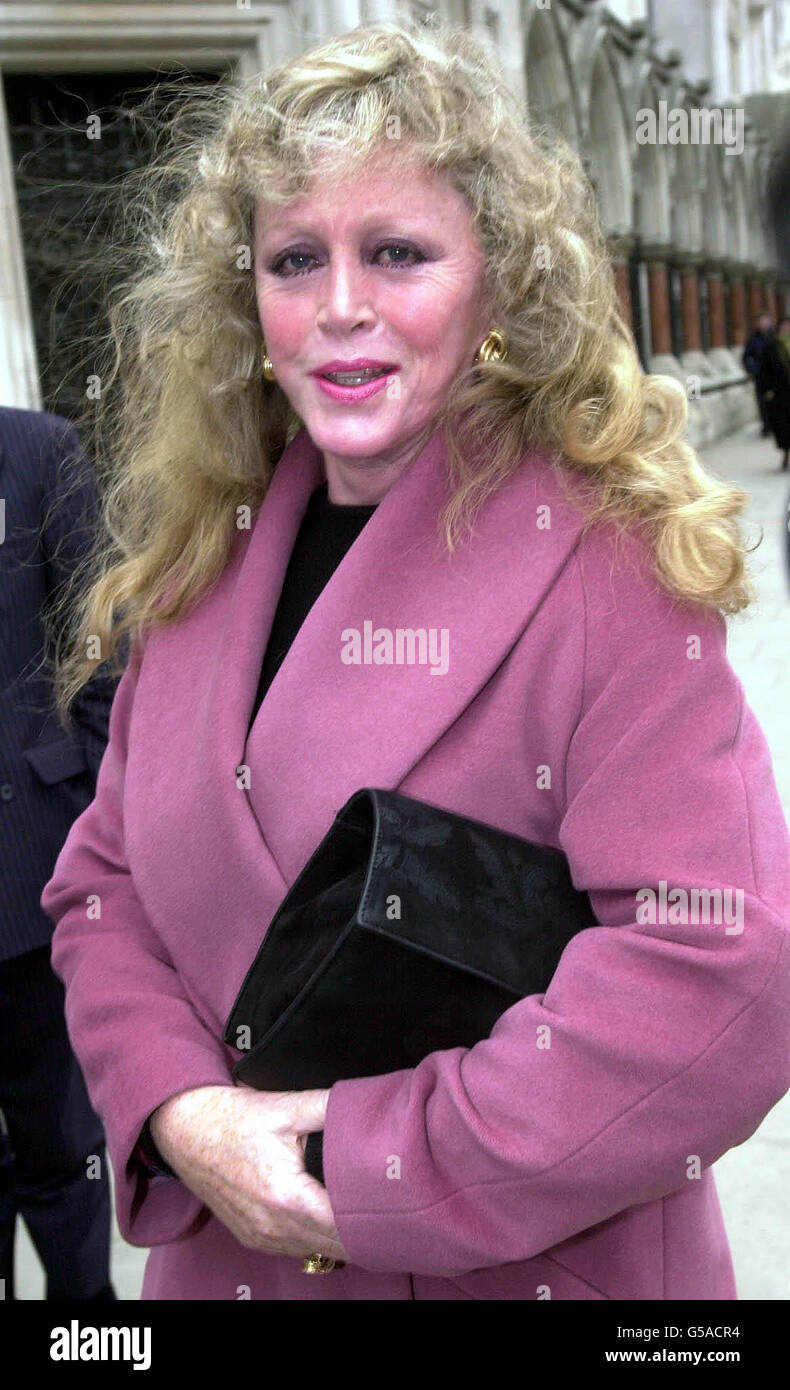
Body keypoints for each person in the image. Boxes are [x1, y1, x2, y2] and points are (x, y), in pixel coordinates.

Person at [40, 19, 790, 1301]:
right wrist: (182, 1114)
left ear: (497, 286)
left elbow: (719, 971)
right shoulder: (194, 562)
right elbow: (102, 887)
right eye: (293, 259)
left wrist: (365, 1165)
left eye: (396, 252)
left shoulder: (607, 564)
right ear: (246, 301)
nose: (340, 307)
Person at [0, 406, 118, 1299]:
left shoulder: (38, 453)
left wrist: (89, 819)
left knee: (64, 1156)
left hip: (32, 874)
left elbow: (102, 655)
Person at [758, 314, 790, 470]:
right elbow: (764, 370)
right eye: (785, 326)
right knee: (782, 425)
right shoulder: (771, 347)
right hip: (780, 393)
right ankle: (786, 452)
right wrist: (767, 390)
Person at [743, 310, 775, 434]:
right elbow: (747, 357)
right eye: (761, 321)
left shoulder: (775, 337)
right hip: (761, 376)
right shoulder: (753, 339)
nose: (764, 324)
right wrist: (755, 369)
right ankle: (766, 425)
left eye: (766, 321)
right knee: (762, 401)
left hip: (776, 376)